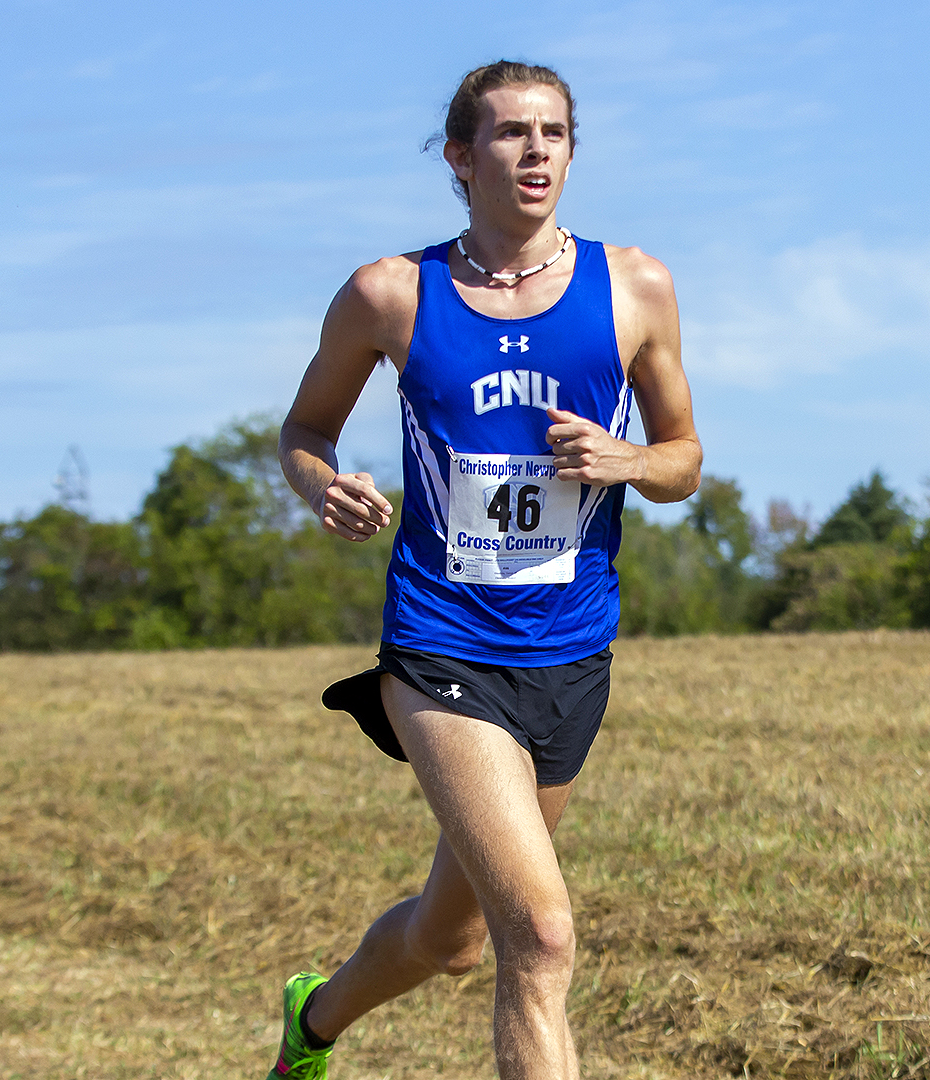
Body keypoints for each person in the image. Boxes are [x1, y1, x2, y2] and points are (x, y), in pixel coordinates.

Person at [271, 59, 701, 1080]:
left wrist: (629, 460)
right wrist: (323, 485)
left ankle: (311, 1023)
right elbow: (304, 430)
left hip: (570, 652)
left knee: (452, 938)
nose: (537, 150)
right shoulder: (391, 293)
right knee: (540, 938)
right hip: (441, 645)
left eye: (555, 132)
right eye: (512, 132)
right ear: (462, 158)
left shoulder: (635, 286)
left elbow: (683, 460)